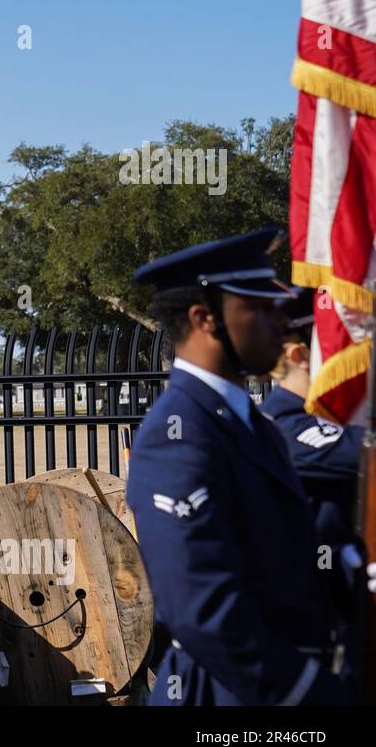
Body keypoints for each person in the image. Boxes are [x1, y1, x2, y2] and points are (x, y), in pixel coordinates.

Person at [125, 227, 352, 705]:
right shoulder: (178, 435)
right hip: (233, 693)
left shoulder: (246, 421)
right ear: (204, 318)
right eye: (261, 307)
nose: (280, 321)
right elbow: (201, 610)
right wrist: (310, 691)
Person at [259, 288, 365, 617]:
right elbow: (361, 454)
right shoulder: (284, 426)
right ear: (299, 356)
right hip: (322, 610)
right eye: (342, 348)